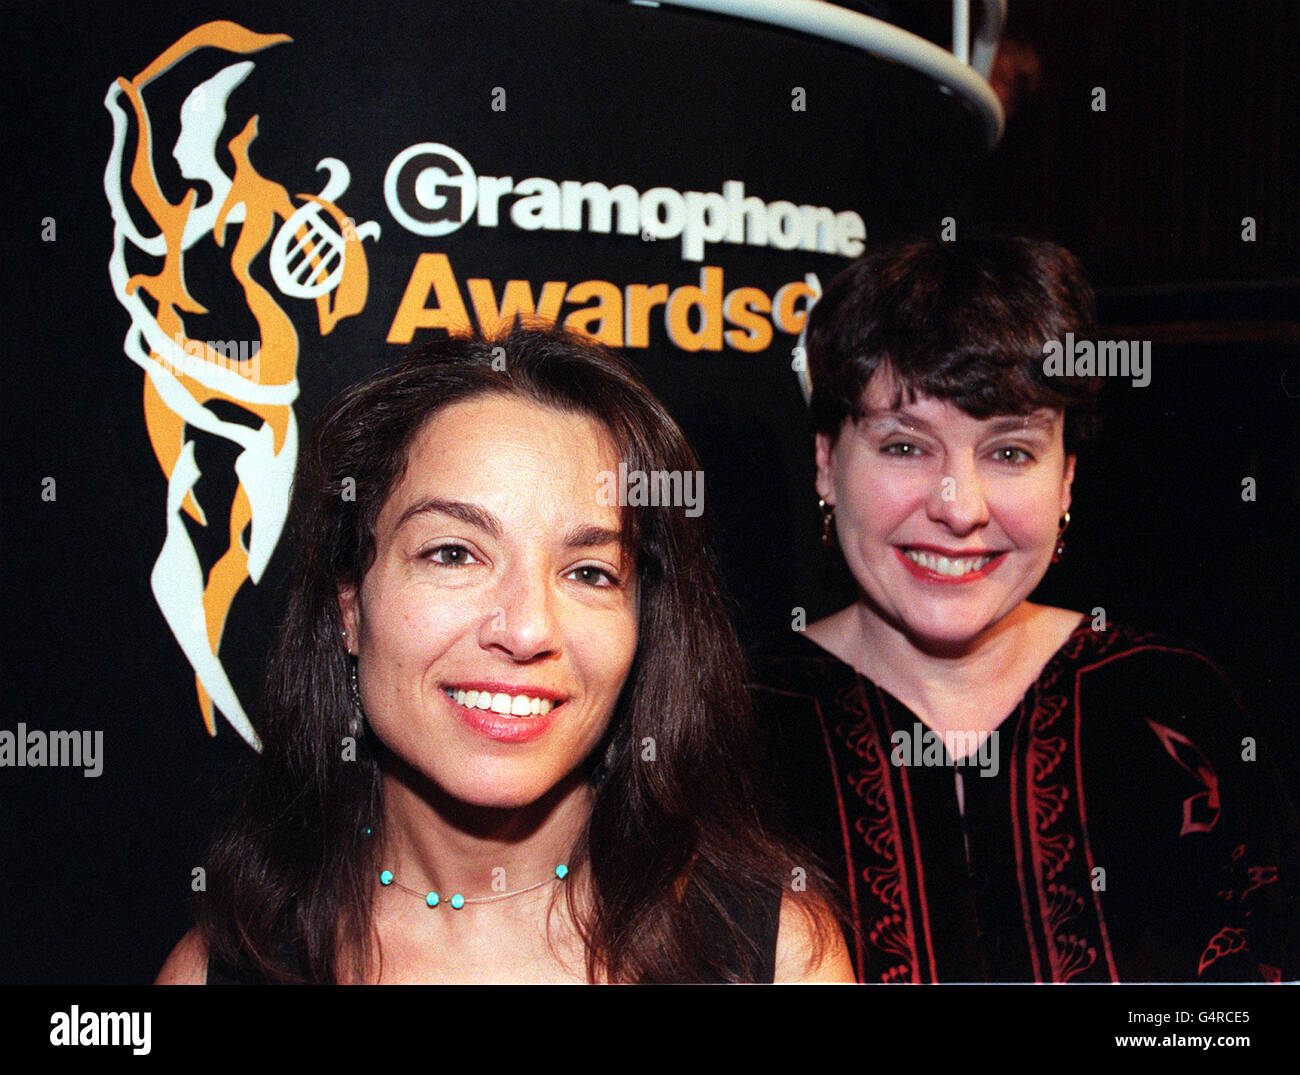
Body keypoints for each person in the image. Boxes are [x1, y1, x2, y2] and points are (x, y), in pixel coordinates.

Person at [156, 325, 851, 984]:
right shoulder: (228, 966)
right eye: (453, 553)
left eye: (589, 571)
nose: (524, 629)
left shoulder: (770, 955)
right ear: (349, 607)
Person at [748, 235, 1300, 983]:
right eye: (906, 447)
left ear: (1067, 478)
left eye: (1009, 452)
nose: (960, 508)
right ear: (825, 460)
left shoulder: (1175, 703)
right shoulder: (731, 731)